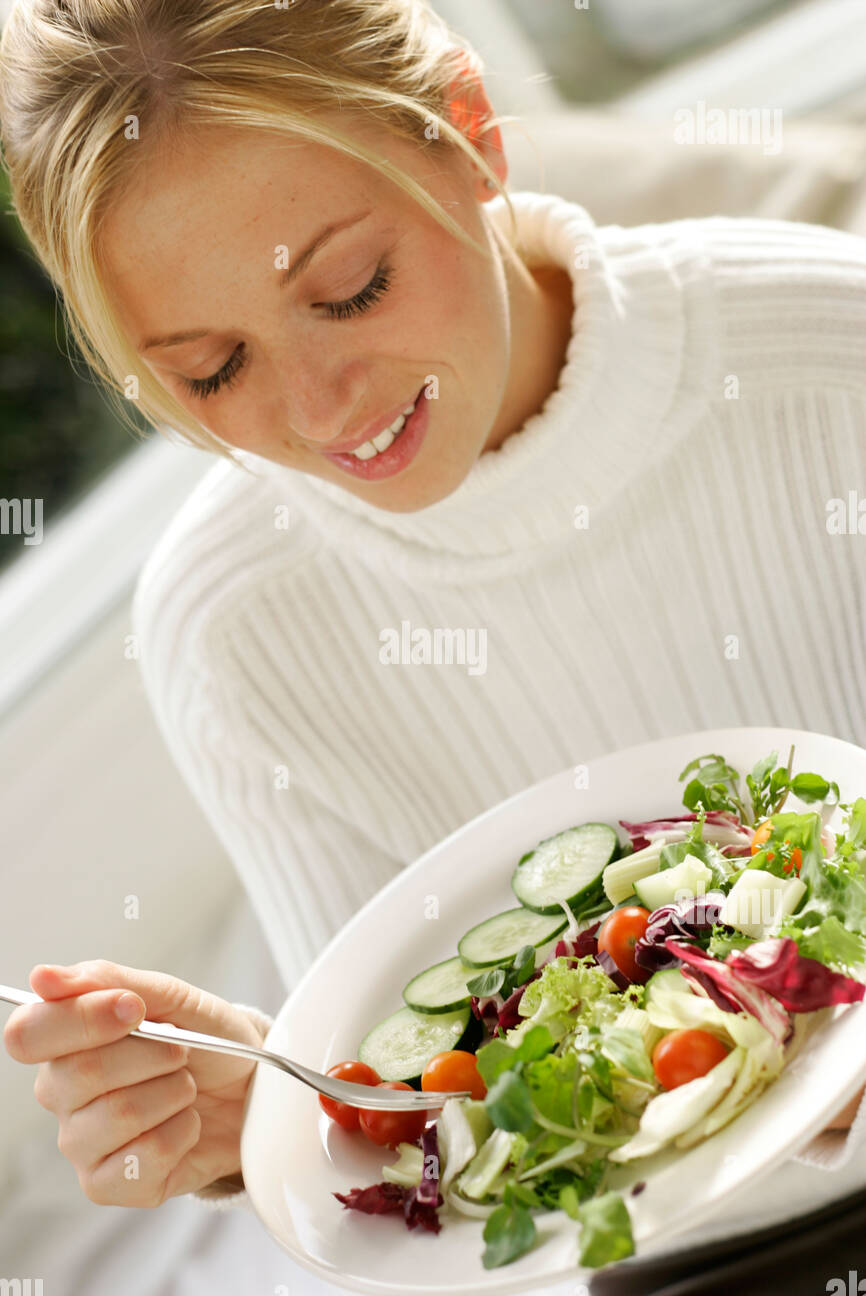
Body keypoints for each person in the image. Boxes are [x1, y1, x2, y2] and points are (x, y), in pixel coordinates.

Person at [1, 0, 865, 1229]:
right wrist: (267, 1111)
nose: (316, 411)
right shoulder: (229, 628)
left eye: (350, 290)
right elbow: (438, 1137)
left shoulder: (834, 352)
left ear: (468, 135)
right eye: (212, 369)